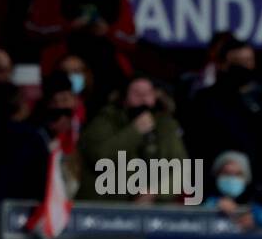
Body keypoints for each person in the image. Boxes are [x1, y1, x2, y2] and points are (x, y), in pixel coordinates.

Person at [79, 74, 189, 202]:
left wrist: (156, 191)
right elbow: (100, 158)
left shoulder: (165, 125)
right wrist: (134, 132)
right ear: (124, 98)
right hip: (109, 204)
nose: (142, 98)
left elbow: (180, 168)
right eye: (136, 93)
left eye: (147, 93)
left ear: (155, 97)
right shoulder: (105, 120)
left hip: (154, 206)